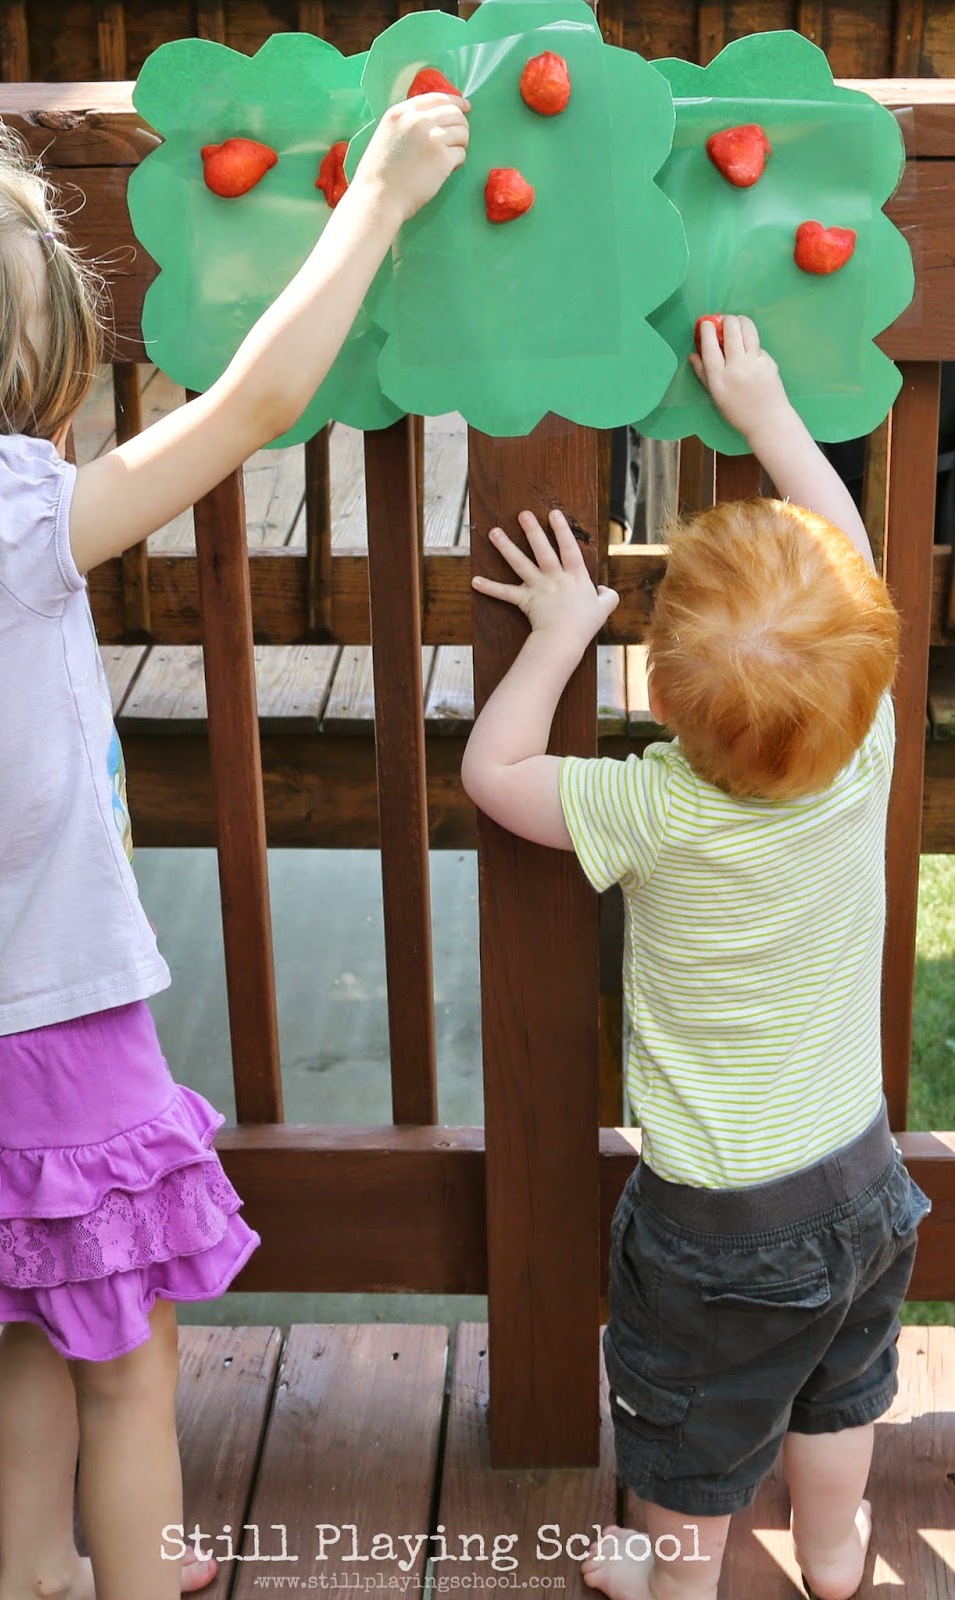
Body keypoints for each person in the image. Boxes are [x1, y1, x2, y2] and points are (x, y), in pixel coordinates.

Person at [0, 91, 468, 1600]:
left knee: (49, 1307)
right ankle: (120, 1572)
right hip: (48, 1009)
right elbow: (248, 410)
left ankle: (42, 1570)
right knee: (128, 1341)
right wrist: (373, 205)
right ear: (31, 349)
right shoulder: (6, 518)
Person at [460, 315, 930, 1600]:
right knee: (840, 1389)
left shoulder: (652, 807)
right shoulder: (867, 745)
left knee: (689, 1437)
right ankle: (833, 1550)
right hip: (861, 1177)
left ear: (660, 702)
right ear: (868, 653)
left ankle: (676, 1580)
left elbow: (491, 774)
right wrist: (770, 411)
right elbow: (851, 556)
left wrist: (561, 627)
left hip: (714, 1228)